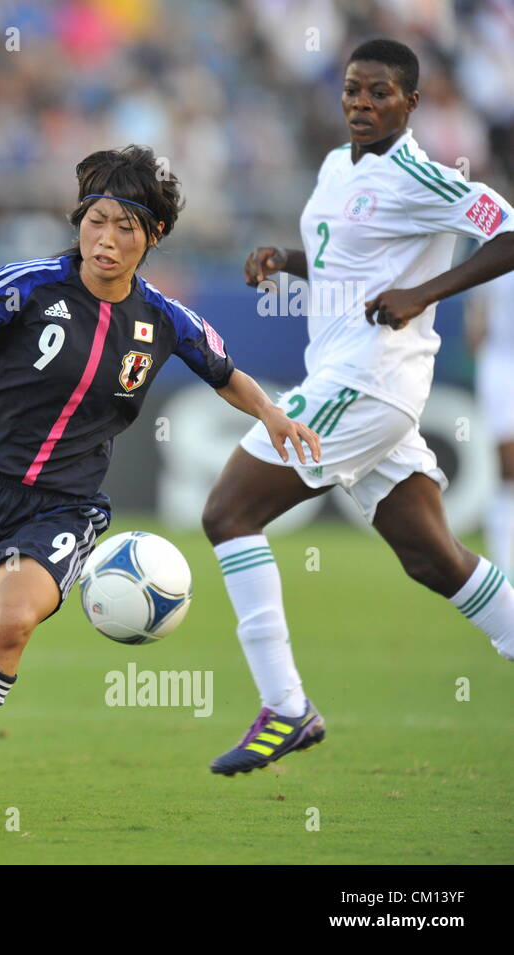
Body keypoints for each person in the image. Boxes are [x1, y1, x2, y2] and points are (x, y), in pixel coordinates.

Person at [0, 145, 320, 788]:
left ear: (151, 236)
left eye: (125, 227)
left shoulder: (165, 319)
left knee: (10, 624)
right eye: (96, 220)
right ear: (79, 222)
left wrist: (270, 413)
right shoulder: (30, 283)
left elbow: (224, 372)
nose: (106, 239)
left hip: (63, 504)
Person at [202, 38, 514, 777]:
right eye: (352, 91)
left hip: (370, 381)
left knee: (228, 512)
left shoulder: (422, 175)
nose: (362, 105)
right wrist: (286, 261)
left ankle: (285, 708)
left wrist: (421, 296)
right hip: (350, 379)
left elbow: (510, 231)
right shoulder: (335, 166)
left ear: (410, 102)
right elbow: (349, 259)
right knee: (435, 558)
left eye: (379, 93)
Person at [465, 263, 514, 576]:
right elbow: (477, 318)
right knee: (509, 467)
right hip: (502, 365)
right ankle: (505, 567)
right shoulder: (497, 245)